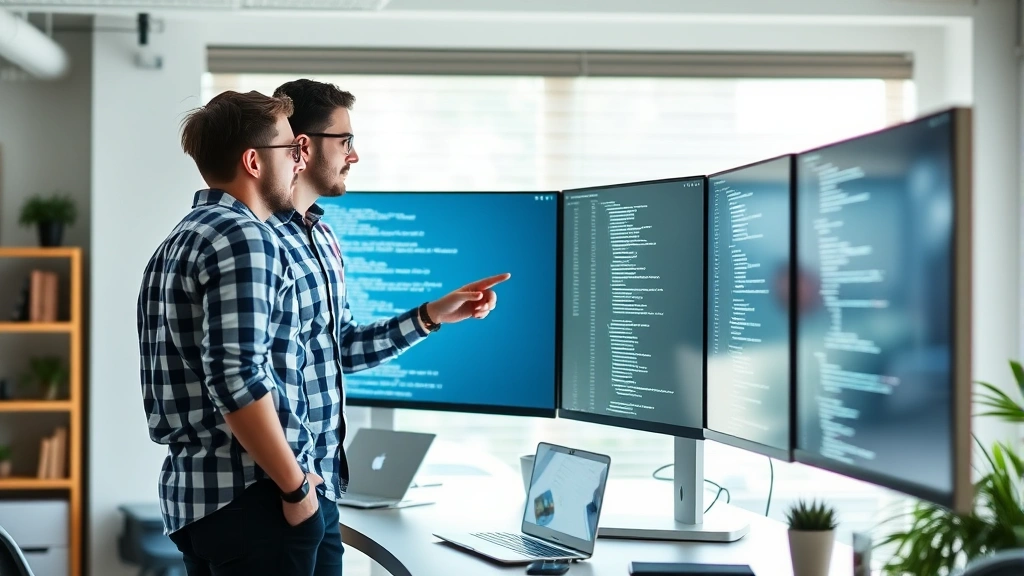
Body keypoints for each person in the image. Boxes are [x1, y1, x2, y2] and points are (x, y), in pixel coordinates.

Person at [266, 78, 511, 574]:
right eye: (346, 141)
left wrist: (430, 316)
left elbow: (340, 350)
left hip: (318, 490)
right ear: (304, 147)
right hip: (277, 497)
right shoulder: (259, 240)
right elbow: (246, 380)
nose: (354, 156)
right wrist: (295, 489)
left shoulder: (323, 237)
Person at [138, 90, 328, 576]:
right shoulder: (245, 238)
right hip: (255, 500)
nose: (299, 163)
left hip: (199, 502)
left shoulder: (178, 240)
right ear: (254, 162)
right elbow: (236, 377)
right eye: (291, 151)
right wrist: (296, 489)